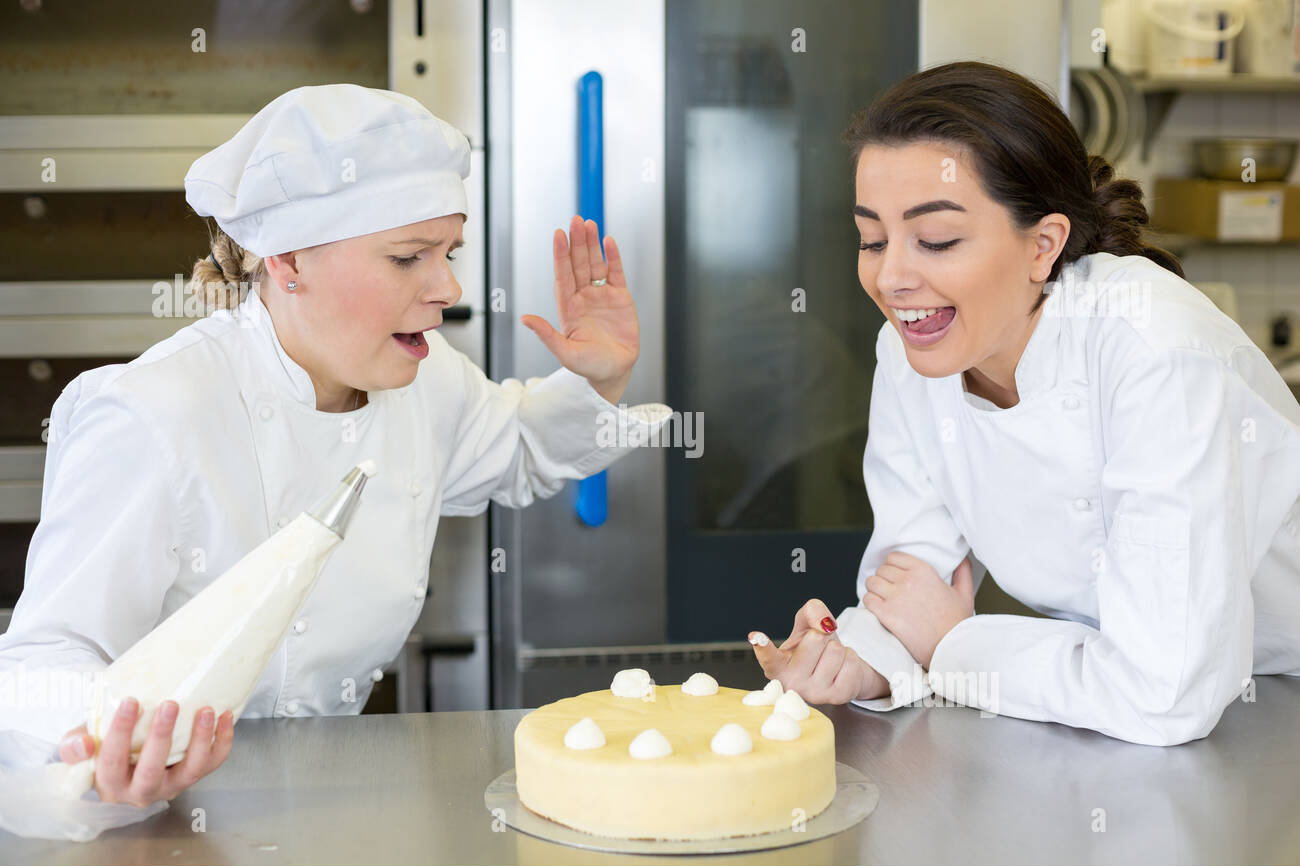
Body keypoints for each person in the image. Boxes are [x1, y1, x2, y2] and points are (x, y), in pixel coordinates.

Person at [0, 84, 668, 805]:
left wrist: (600, 378)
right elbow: (46, 655)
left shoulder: (424, 377)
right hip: (144, 818)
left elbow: (519, 448)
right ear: (287, 263)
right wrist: (105, 744)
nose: (447, 285)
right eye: (409, 257)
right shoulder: (152, 415)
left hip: (325, 800)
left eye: (449, 251)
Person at [750, 61, 1300, 746]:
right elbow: (913, 580)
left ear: (1044, 245)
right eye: (872, 239)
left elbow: (1165, 694)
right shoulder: (912, 353)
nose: (891, 278)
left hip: (1271, 698)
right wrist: (859, 657)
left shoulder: (1154, 352)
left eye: (937, 240)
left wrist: (956, 646)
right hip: (1116, 704)